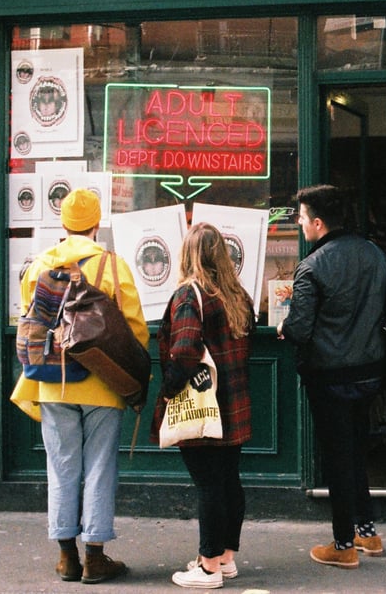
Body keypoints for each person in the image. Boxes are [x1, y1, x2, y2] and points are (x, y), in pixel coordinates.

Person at [10, 188, 149, 585]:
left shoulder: (39, 265)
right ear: (96, 223)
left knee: (61, 466)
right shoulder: (112, 265)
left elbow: (29, 319)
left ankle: (66, 557)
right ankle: (95, 557)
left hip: (52, 383)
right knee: (101, 467)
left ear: (64, 223)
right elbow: (135, 329)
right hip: (102, 381)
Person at [277, 184, 386, 569]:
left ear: (319, 223)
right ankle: (367, 532)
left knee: (338, 459)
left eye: (302, 217)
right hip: (369, 372)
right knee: (356, 452)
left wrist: (284, 327)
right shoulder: (374, 254)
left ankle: (343, 544)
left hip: (329, 377)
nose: (299, 223)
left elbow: (300, 328)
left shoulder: (312, 267)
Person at [151, 222, 255, 589]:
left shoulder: (188, 294)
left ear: (187, 255)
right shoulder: (237, 294)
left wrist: (168, 390)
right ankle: (225, 558)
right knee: (228, 480)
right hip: (234, 402)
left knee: (209, 484)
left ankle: (208, 567)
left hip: (203, 405)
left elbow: (184, 350)